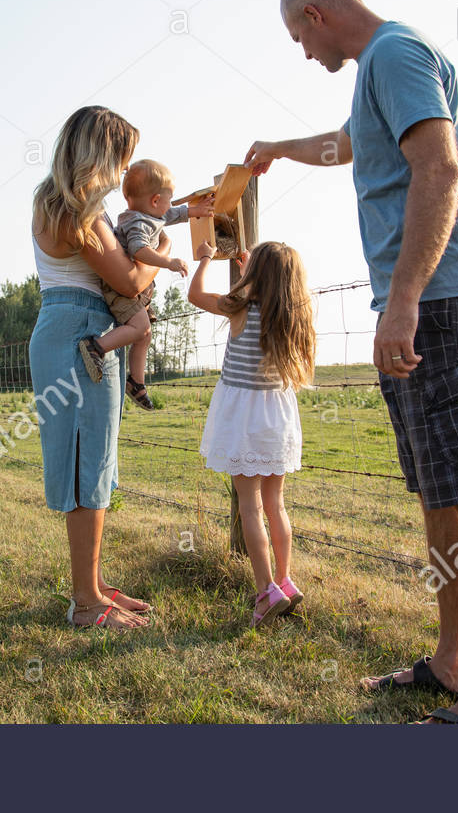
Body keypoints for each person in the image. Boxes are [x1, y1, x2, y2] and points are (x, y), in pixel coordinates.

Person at [243, 0, 458, 723]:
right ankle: (455, 659)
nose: (304, 53)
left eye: (298, 37)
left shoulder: (397, 54)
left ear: (315, 12)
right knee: (441, 492)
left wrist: (403, 300)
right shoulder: (376, 70)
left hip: (443, 299)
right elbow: (347, 146)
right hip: (414, 302)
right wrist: (277, 147)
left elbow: (440, 168)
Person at [30, 106, 164, 630]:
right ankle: (86, 604)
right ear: (99, 156)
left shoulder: (66, 203)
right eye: (120, 161)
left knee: (96, 461)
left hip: (76, 327)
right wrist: (162, 250)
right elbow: (130, 282)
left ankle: (94, 584)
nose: (122, 175)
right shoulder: (74, 211)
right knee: (86, 462)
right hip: (78, 331)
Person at [187, 239, 316, 626]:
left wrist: (207, 258)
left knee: (250, 505)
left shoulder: (239, 308)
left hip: (243, 418)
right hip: (276, 418)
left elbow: (195, 294)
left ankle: (264, 593)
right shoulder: (292, 319)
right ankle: (284, 580)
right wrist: (249, 272)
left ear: (256, 276)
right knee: (275, 504)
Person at [78, 159, 213, 410]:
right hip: (120, 289)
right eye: (168, 200)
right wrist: (167, 260)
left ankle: (136, 383)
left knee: (145, 332)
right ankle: (96, 346)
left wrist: (197, 210)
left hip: (130, 290)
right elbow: (139, 250)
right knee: (140, 328)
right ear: (155, 201)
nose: (170, 206)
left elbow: (174, 213)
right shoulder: (138, 223)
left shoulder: (149, 215)